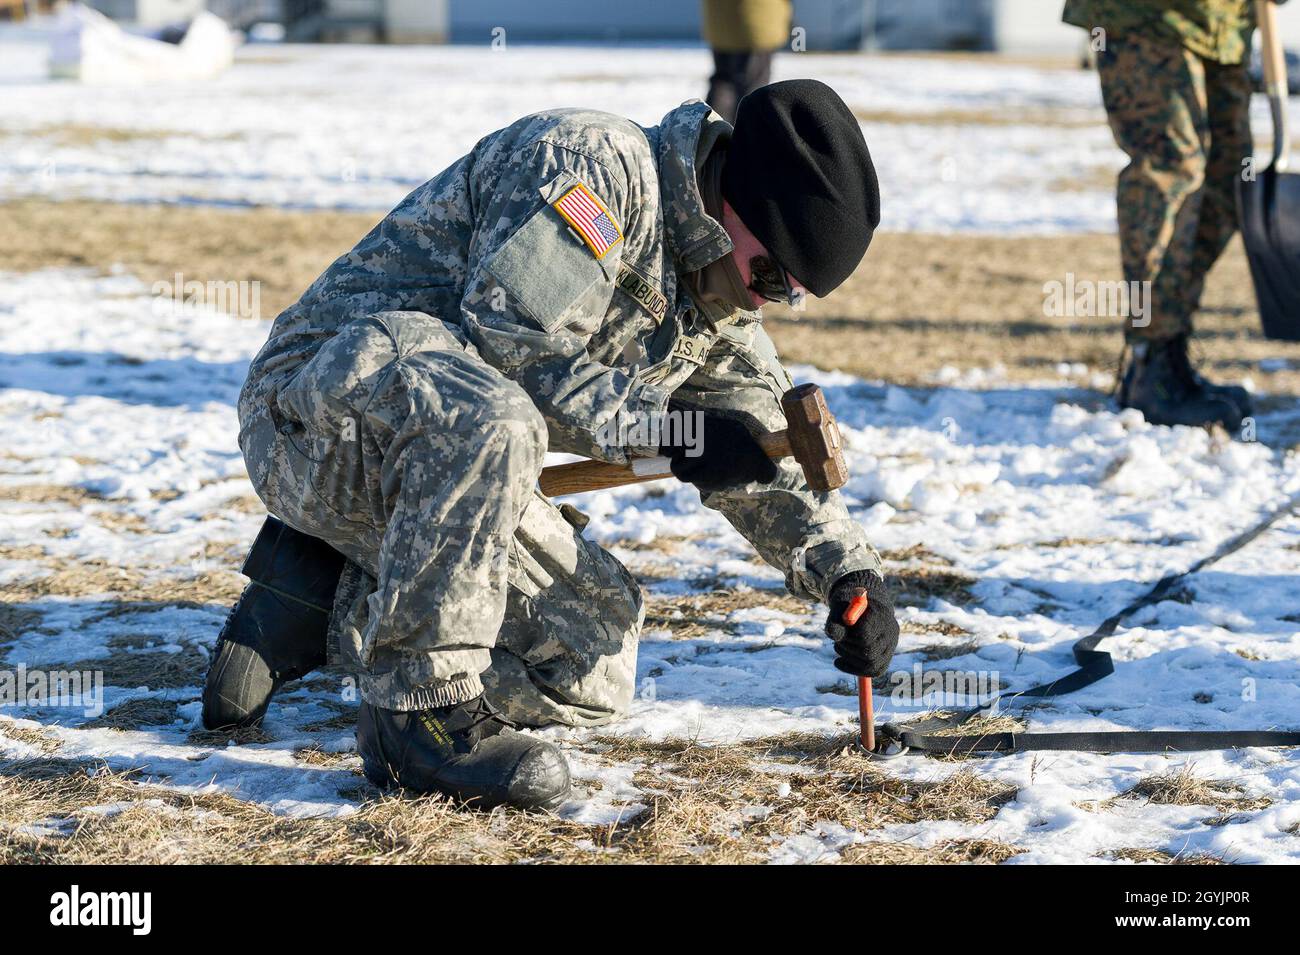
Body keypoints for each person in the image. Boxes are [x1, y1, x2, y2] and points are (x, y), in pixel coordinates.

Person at [203, 80, 899, 811]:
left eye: (788, 295)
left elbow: (767, 440)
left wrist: (850, 578)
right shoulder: (592, 167)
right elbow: (506, 341)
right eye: (767, 274)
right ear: (729, 203)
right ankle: (416, 719)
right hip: (316, 419)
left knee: (592, 655)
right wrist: (664, 429)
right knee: (498, 417)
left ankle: (319, 596)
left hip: (445, 475)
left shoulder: (716, 300)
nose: (764, 301)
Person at [1062, 0, 1286, 430]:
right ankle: (1151, 358)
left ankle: (1172, 350)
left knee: (1227, 182)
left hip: (1223, 23)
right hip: (1148, 15)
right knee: (1171, 170)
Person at [702, 0, 792, 124]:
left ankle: (711, 134)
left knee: (723, 82)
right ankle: (747, 136)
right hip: (757, 22)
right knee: (753, 88)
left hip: (721, 21)